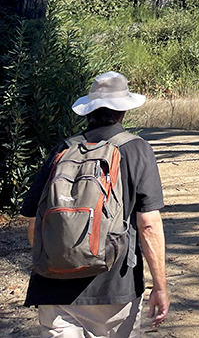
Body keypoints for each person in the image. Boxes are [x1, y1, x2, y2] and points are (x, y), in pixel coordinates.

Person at [21, 71, 170, 338]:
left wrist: (61, 257)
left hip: (53, 290)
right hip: (114, 289)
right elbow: (148, 224)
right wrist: (160, 286)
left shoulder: (62, 149)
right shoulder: (136, 149)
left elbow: (34, 223)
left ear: (88, 111)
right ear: (123, 109)